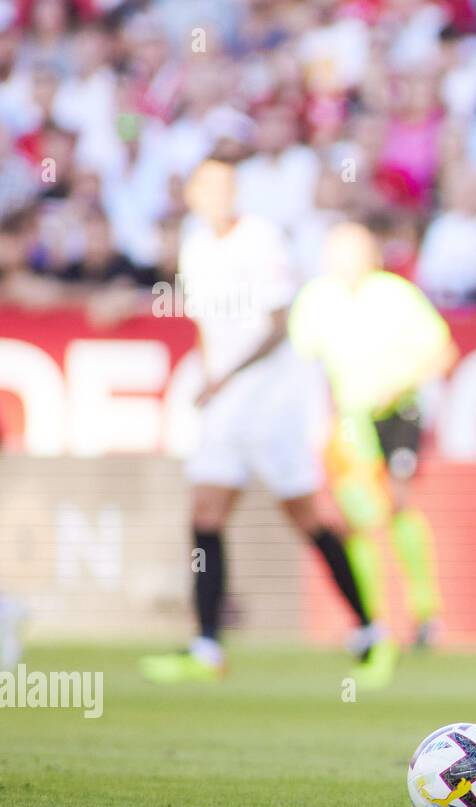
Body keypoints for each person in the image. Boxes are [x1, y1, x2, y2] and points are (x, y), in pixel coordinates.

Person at [139, 158, 381, 684]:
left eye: (226, 186)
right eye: (208, 187)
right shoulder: (194, 243)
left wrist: (221, 376)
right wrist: (211, 378)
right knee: (205, 512)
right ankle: (207, 647)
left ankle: (368, 627)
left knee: (307, 516)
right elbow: (207, 325)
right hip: (227, 403)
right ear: (193, 194)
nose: (218, 196)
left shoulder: (262, 239)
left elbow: (277, 325)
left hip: (273, 402)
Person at [290, 221, 456, 680]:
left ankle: (425, 613)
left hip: (398, 411)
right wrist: (315, 425)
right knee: (360, 518)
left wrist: (397, 384)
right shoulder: (315, 300)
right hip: (349, 419)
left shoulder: (396, 295)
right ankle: (375, 621)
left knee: (399, 504)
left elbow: (442, 352)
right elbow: (302, 367)